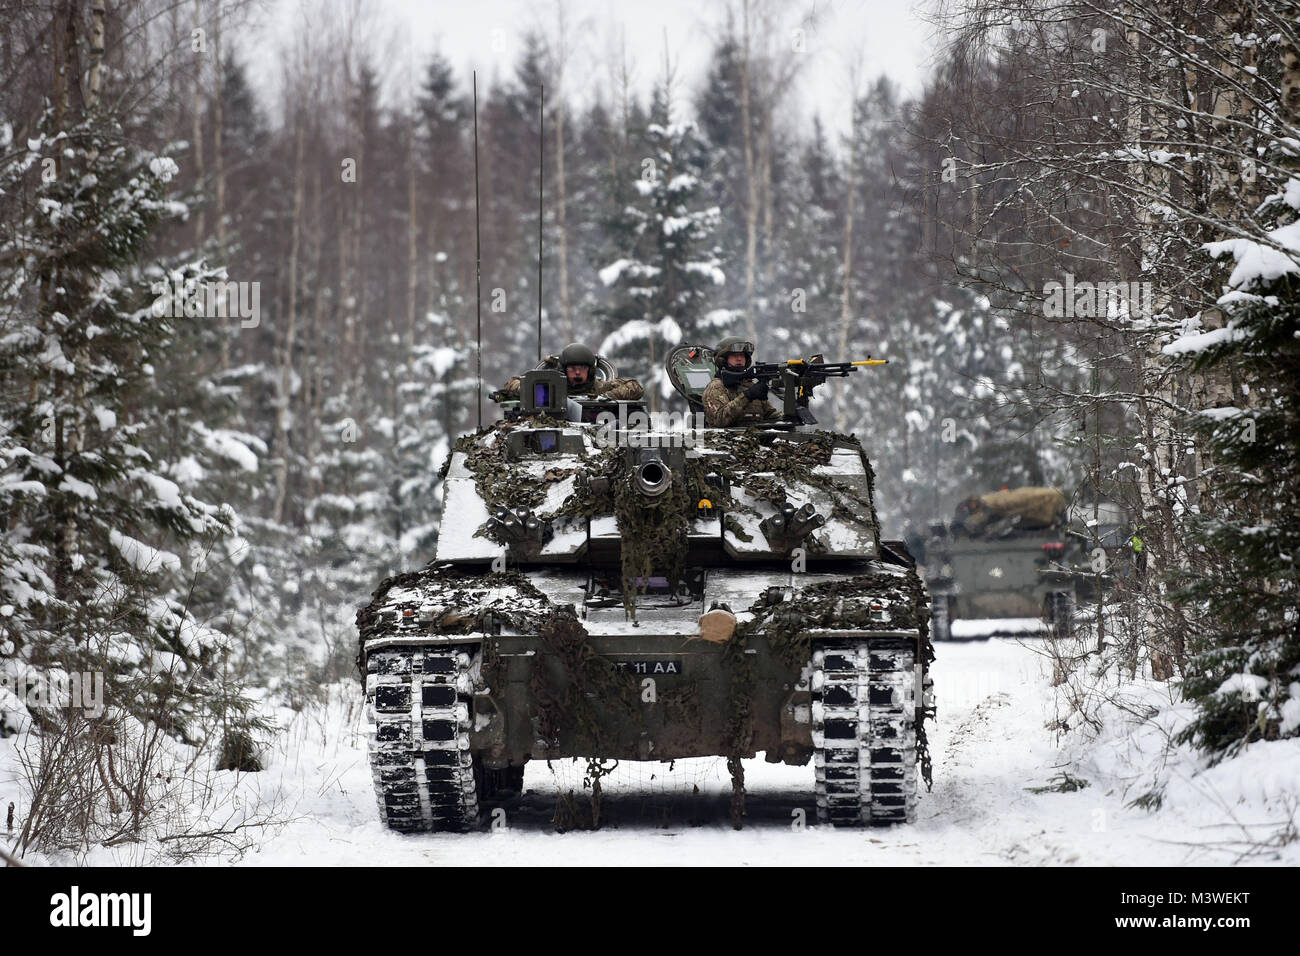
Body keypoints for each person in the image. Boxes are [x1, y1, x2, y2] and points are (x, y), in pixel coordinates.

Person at [493, 342, 644, 401]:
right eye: (572, 369)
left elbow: (634, 387)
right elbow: (511, 383)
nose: (577, 373)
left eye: (582, 369)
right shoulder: (551, 389)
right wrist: (533, 391)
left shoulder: (599, 388)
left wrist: (606, 397)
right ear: (564, 370)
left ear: (590, 371)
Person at [701, 337, 781, 427]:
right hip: (728, 439)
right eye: (735, 355)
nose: (739, 359)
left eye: (742, 355)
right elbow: (719, 419)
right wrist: (747, 396)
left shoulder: (750, 385)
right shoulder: (716, 387)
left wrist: (791, 415)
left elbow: (770, 415)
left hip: (757, 438)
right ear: (723, 359)